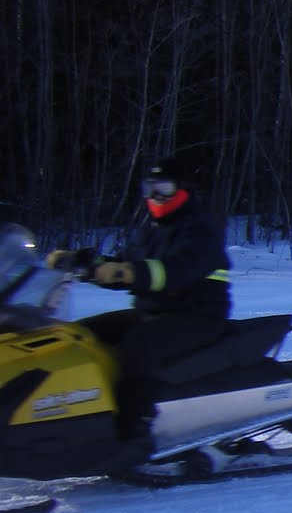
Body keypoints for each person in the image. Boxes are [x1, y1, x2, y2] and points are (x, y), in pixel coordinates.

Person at [46, 157, 232, 436]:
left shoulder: (200, 229)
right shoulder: (153, 229)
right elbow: (129, 265)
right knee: (78, 336)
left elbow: (176, 271)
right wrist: (87, 265)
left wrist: (125, 272)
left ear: (182, 189)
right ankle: (70, 416)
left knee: (136, 349)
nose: (155, 195)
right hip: (153, 312)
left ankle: (134, 429)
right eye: (150, 187)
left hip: (197, 315)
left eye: (164, 187)